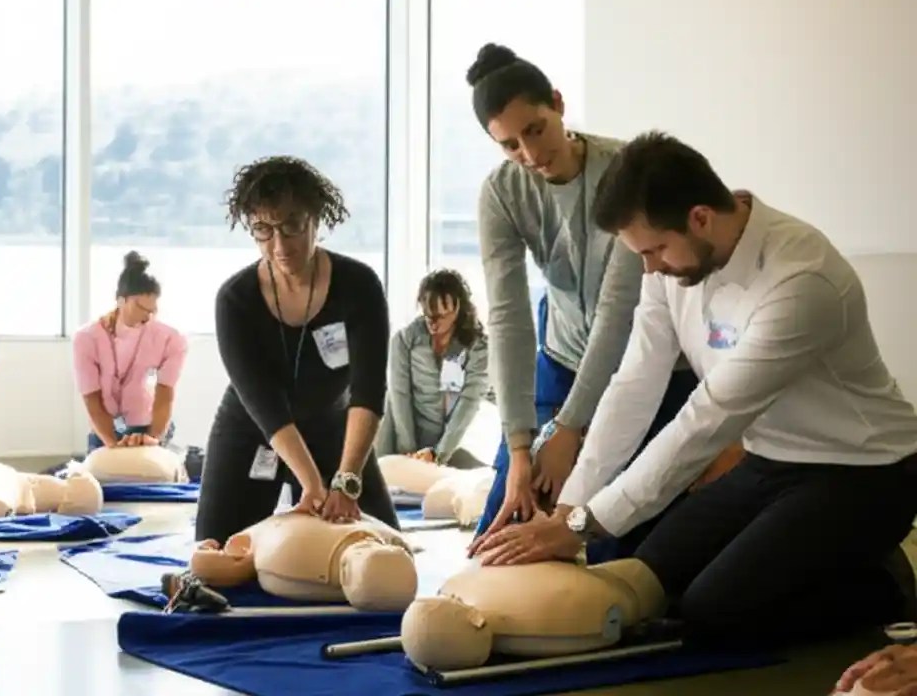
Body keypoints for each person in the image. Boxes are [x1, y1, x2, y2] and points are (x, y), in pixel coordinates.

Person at [471, 130, 917, 649]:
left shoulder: (802, 279)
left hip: (863, 475)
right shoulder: (668, 268)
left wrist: (581, 524)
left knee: (714, 612)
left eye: (656, 249)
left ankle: (882, 585)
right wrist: (569, 512)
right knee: (653, 576)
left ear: (700, 217)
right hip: (770, 461)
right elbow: (633, 384)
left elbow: (704, 420)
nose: (650, 266)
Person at [465, 42, 699, 551]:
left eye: (535, 129)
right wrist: (521, 444)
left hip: (650, 371)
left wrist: (571, 431)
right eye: (509, 145)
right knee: (507, 520)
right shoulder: (502, 194)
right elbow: (508, 321)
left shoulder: (623, 172)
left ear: (558, 103)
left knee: (611, 532)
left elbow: (619, 314)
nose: (529, 155)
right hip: (562, 358)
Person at [195, 155, 399, 544]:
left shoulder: (359, 285)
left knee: (385, 552)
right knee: (215, 555)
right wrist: (313, 485)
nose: (279, 245)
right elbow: (265, 407)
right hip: (255, 431)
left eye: (291, 226)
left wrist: (347, 479)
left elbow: (368, 391)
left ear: (316, 219)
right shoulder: (235, 300)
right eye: (263, 230)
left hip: (335, 429)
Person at [73, 251, 188, 453]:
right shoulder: (86, 338)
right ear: (120, 300)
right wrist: (113, 445)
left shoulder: (171, 339)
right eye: (140, 307)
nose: (146, 316)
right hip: (104, 429)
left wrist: (151, 440)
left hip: (150, 426)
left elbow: (165, 395)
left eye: (151, 310)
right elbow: (92, 399)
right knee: (105, 479)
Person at [374, 269, 490, 469]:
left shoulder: (477, 347)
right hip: (403, 437)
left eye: (441, 316)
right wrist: (408, 450)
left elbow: (469, 402)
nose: (434, 324)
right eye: (429, 316)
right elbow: (400, 394)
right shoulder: (404, 340)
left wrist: (439, 453)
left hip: (451, 441)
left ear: (458, 309)